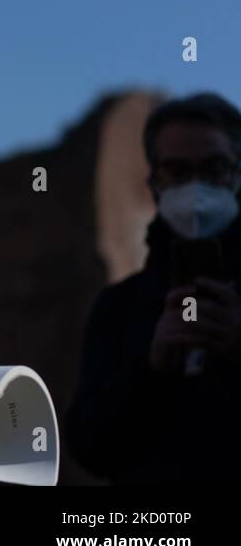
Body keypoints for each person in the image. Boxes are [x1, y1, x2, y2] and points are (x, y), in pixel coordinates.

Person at [67, 92, 241, 484]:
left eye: (214, 169)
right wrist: (148, 369)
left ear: (237, 174)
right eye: (177, 172)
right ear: (154, 182)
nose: (196, 188)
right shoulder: (117, 306)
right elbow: (90, 448)